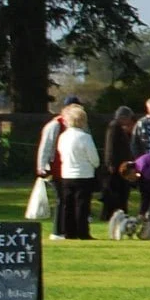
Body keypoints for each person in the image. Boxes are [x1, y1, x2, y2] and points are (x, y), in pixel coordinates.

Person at [53, 103, 100, 240]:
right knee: (82, 205)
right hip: (84, 175)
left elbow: (60, 153)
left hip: (67, 174)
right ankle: (83, 232)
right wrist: (94, 165)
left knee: (68, 205)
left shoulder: (63, 137)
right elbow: (94, 158)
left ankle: (69, 232)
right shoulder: (85, 137)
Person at [34, 95, 81, 182]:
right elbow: (46, 146)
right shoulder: (55, 125)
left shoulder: (81, 124)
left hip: (74, 167)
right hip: (57, 166)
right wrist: (42, 167)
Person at [101, 107, 135, 221]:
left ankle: (119, 214)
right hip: (115, 167)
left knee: (121, 192)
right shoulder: (114, 127)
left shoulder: (119, 128)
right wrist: (110, 163)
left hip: (120, 166)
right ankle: (110, 215)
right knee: (115, 192)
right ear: (123, 117)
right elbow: (110, 146)